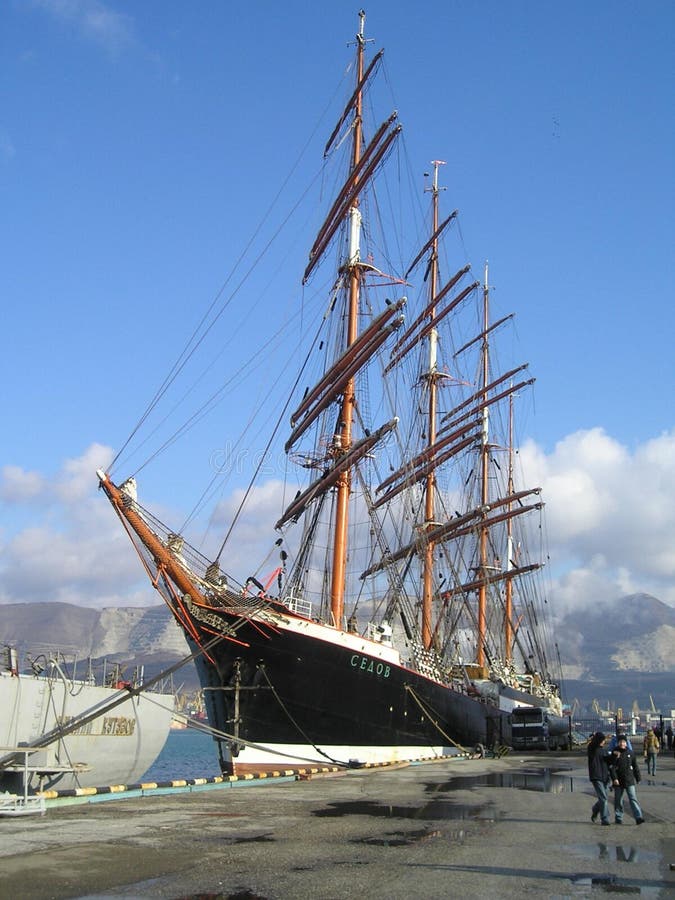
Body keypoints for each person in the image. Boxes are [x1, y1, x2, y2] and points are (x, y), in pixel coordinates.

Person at [608, 734, 644, 825]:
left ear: (626, 743)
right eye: (620, 742)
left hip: (629, 779)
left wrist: (638, 778)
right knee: (618, 800)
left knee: (633, 798)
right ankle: (618, 817)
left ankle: (638, 817)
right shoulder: (614, 753)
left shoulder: (630, 753)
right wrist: (614, 778)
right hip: (618, 780)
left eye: (623, 742)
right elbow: (612, 768)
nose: (622, 744)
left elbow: (635, 766)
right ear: (618, 743)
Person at [587, 731, 611, 825]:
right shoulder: (592, 750)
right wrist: (594, 739)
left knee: (603, 797)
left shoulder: (604, 750)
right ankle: (605, 818)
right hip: (596, 776)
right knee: (603, 798)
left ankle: (595, 809)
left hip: (605, 776)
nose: (604, 742)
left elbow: (609, 762)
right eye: (603, 740)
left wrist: (614, 756)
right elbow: (591, 746)